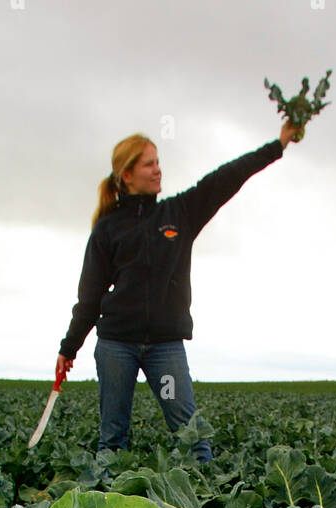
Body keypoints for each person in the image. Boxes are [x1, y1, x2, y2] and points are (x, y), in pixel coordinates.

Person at [56, 120, 301, 463]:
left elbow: (226, 178)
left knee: (193, 438)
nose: (158, 170)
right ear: (127, 175)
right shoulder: (107, 229)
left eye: (158, 161)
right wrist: (69, 347)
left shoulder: (179, 213)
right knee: (112, 443)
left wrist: (277, 146)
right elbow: (90, 296)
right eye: (148, 164)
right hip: (116, 346)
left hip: (164, 347)